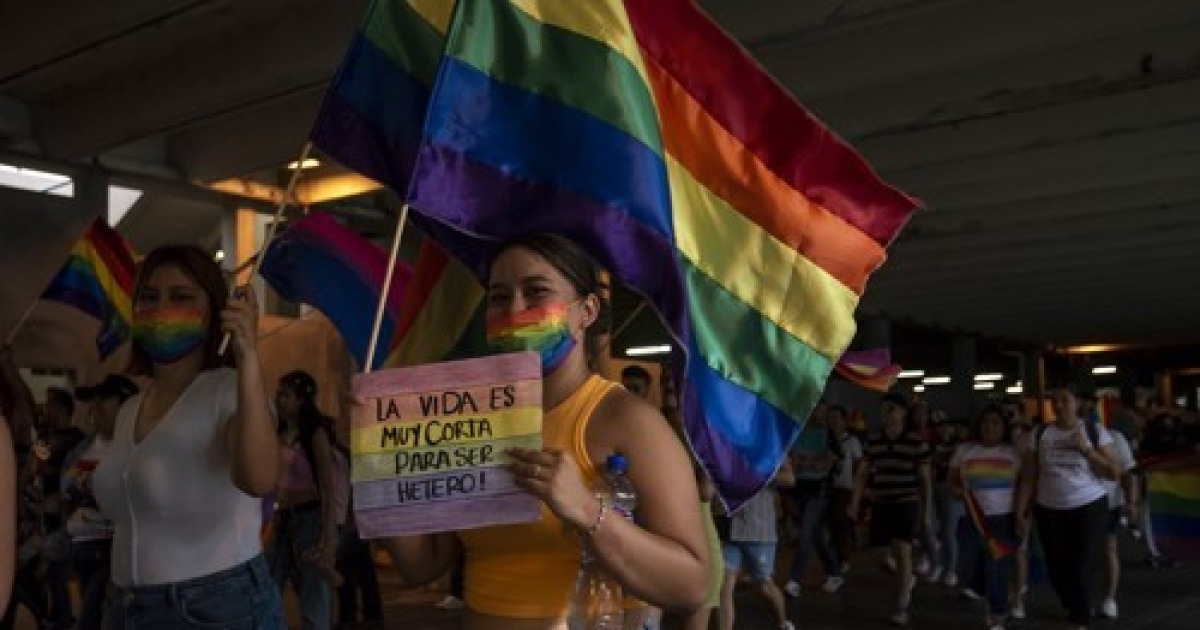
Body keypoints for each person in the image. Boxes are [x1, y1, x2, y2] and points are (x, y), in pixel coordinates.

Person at [381, 233, 709, 628]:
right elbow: (422, 566)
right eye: (499, 297)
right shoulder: (473, 421)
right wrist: (382, 467)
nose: (515, 310)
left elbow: (691, 585)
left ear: (586, 312)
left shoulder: (628, 421)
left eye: (536, 293)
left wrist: (588, 510)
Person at [91, 245, 283, 628]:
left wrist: (248, 356)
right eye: (149, 297)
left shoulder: (230, 392)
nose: (162, 308)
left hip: (215, 609)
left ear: (215, 310)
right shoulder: (131, 408)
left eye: (181, 296)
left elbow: (259, 478)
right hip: (125, 608)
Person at [1016, 385, 1119, 629]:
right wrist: (1021, 510)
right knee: (1056, 567)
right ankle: (1075, 605)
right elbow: (1030, 476)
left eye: (1065, 400)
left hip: (1088, 506)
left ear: (1078, 403)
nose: (1059, 405)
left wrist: (1087, 450)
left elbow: (1114, 472)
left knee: (1081, 564)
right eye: (1055, 400)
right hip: (1049, 508)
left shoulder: (1094, 431)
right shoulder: (1040, 434)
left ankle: (1081, 617)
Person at [268, 370, 348, 630]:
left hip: (308, 519)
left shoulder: (315, 434)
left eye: (286, 395)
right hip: (280, 520)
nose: (279, 399)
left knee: (313, 591)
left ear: (302, 400)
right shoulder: (276, 431)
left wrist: (328, 533)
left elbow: (327, 485)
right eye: (278, 393)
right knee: (270, 583)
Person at [848, 392, 932, 626]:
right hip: (881, 502)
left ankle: (901, 606)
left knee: (902, 550)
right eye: (884, 408)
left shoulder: (916, 442)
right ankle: (907, 580)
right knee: (879, 555)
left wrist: (926, 512)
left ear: (903, 413)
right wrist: (855, 501)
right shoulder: (875, 441)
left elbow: (925, 480)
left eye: (891, 409)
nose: (886, 413)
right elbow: (863, 474)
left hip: (907, 502)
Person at [63, 375, 139, 630]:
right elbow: (66, 486)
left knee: (94, 620)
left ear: (126, 405)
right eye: (92, 401)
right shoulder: (85, 446)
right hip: (79, 545)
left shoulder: (134, 446)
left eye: (103, 400)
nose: (94, 408)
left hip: (108, 548)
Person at [950, 404, 1021, 630]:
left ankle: (998, 615)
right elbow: (952, 480)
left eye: (996, 423)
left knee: (996, 569)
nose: (990, 427)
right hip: (971, 519)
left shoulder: (1013, 453)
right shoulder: (965, 450)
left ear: (1004, 427)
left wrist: (1023, 516)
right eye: (985, 422)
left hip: (1003, 521)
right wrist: (956, 491)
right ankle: (984, 591)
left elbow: (1024, 486)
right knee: (966, 567)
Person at [717, 460, 796, 630]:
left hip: (760, 531)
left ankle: (783, 622)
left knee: (764, 585)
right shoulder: (730, 447)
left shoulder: (773, 447)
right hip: (732, 529)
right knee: (724, 585)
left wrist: (756, 474)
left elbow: (789, 478)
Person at [784, 403, 844, 597]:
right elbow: (793, 461)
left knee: (806, 534)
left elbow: (825, 465)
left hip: (819, 491)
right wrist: (810, 461)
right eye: (816, 411)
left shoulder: (829, 436)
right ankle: (834, 572)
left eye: (823, 412)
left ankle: (794, 580)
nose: (819, 415)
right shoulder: (799, 432)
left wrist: (806, 461)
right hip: (798, 489)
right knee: (815, 534)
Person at [1097, 426, 1138, 619]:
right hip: (1076, 506)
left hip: (1109, 503)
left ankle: (1109, 598)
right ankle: (1082, 600)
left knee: (1109, 550)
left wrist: (1131, 502)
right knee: (1081, 555)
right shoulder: (1066, 438)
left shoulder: (1115, 437)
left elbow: (1129, 473)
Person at [925, 415, 964, 587]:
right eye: (941, 426)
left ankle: (950, 569)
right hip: (932, 488)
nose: (944, 429)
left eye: (948, 426)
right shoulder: (931, 446)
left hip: (950, 491)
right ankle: (936, 563)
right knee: (929, 528)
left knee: (949, 532)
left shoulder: (960, 447)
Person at [824, 405, 862, 573]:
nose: (833, 421)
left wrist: (857, 490)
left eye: (836, 417)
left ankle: (843, 558)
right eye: (830, 417)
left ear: (844, 421)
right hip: (827, 486)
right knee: (832, 523)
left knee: (841, 522)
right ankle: (836, 556)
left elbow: (858, 466)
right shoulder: (825, 440)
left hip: (845, 487)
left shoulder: (852, 442)